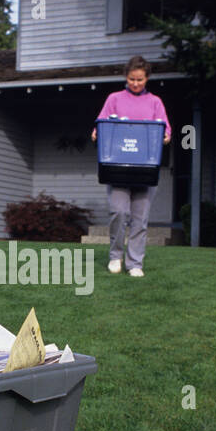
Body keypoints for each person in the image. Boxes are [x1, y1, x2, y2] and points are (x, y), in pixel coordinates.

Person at [91, 56, 171, 277]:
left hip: (145, 169)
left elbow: (165, 129)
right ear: (126, 77)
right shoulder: (114, 99)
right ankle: (115, 257)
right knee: (118, 212)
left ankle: (134, 263)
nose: (136, 83)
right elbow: (102, 123)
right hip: (118, 168)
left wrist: (166, 136)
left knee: (140, 219)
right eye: (132, 79)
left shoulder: (155, 102)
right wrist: (96, 132)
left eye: (140, 79)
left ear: (147, 79)